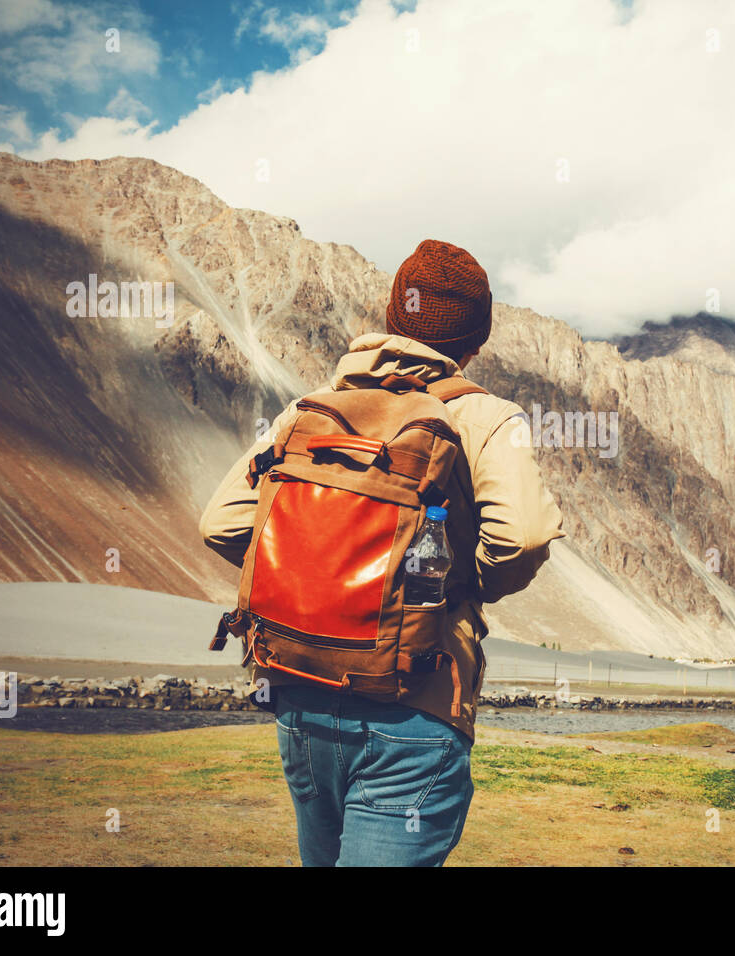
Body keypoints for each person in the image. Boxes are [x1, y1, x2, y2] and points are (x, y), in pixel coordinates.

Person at [199, 239, 565, 866]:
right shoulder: (487, 419)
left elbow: (223, 521)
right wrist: (434, 592)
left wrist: (315, 578)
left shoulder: (311, 411)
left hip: (302, 699)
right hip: (415, 709)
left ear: (391, 317)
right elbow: (521, 540)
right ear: (477, 339)